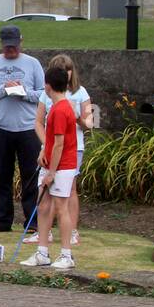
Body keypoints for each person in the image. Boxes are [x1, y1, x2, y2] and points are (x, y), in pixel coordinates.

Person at [0, 24, 44, 233]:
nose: (10, 50)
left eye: (14, 46)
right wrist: (4, 89)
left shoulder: (33, 64)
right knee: (2, 176)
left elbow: (43, 95)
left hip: (28, 129)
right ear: (1, 44)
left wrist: (23, 92)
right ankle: (2, 221)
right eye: (7, 47)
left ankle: (32, 222)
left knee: (30, 176)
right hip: (1, 128)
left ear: (21, 42)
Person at [30, 54, 94, 246]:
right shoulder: (47, 94)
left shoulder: (81, 92)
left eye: (68, 69)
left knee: (69, 189)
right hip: (51, 148)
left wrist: (78, 119)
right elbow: (38, 123)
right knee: (46, 191)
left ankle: (72, 231)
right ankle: (45, 232)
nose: (66, 73)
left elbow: (91, 123)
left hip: (73, 148)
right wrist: (45, 145)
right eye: (61, 69)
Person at [20, 64, 78, 270]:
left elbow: (61, 143)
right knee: (43, 206)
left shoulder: (61, 110)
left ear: (48, 86)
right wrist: (44, 152)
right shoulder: (56, 108)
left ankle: (66, 255)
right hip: (51, 165)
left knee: (61, 208)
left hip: (62, 167)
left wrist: (52, 172)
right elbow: (53, 141)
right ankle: (42, 252)